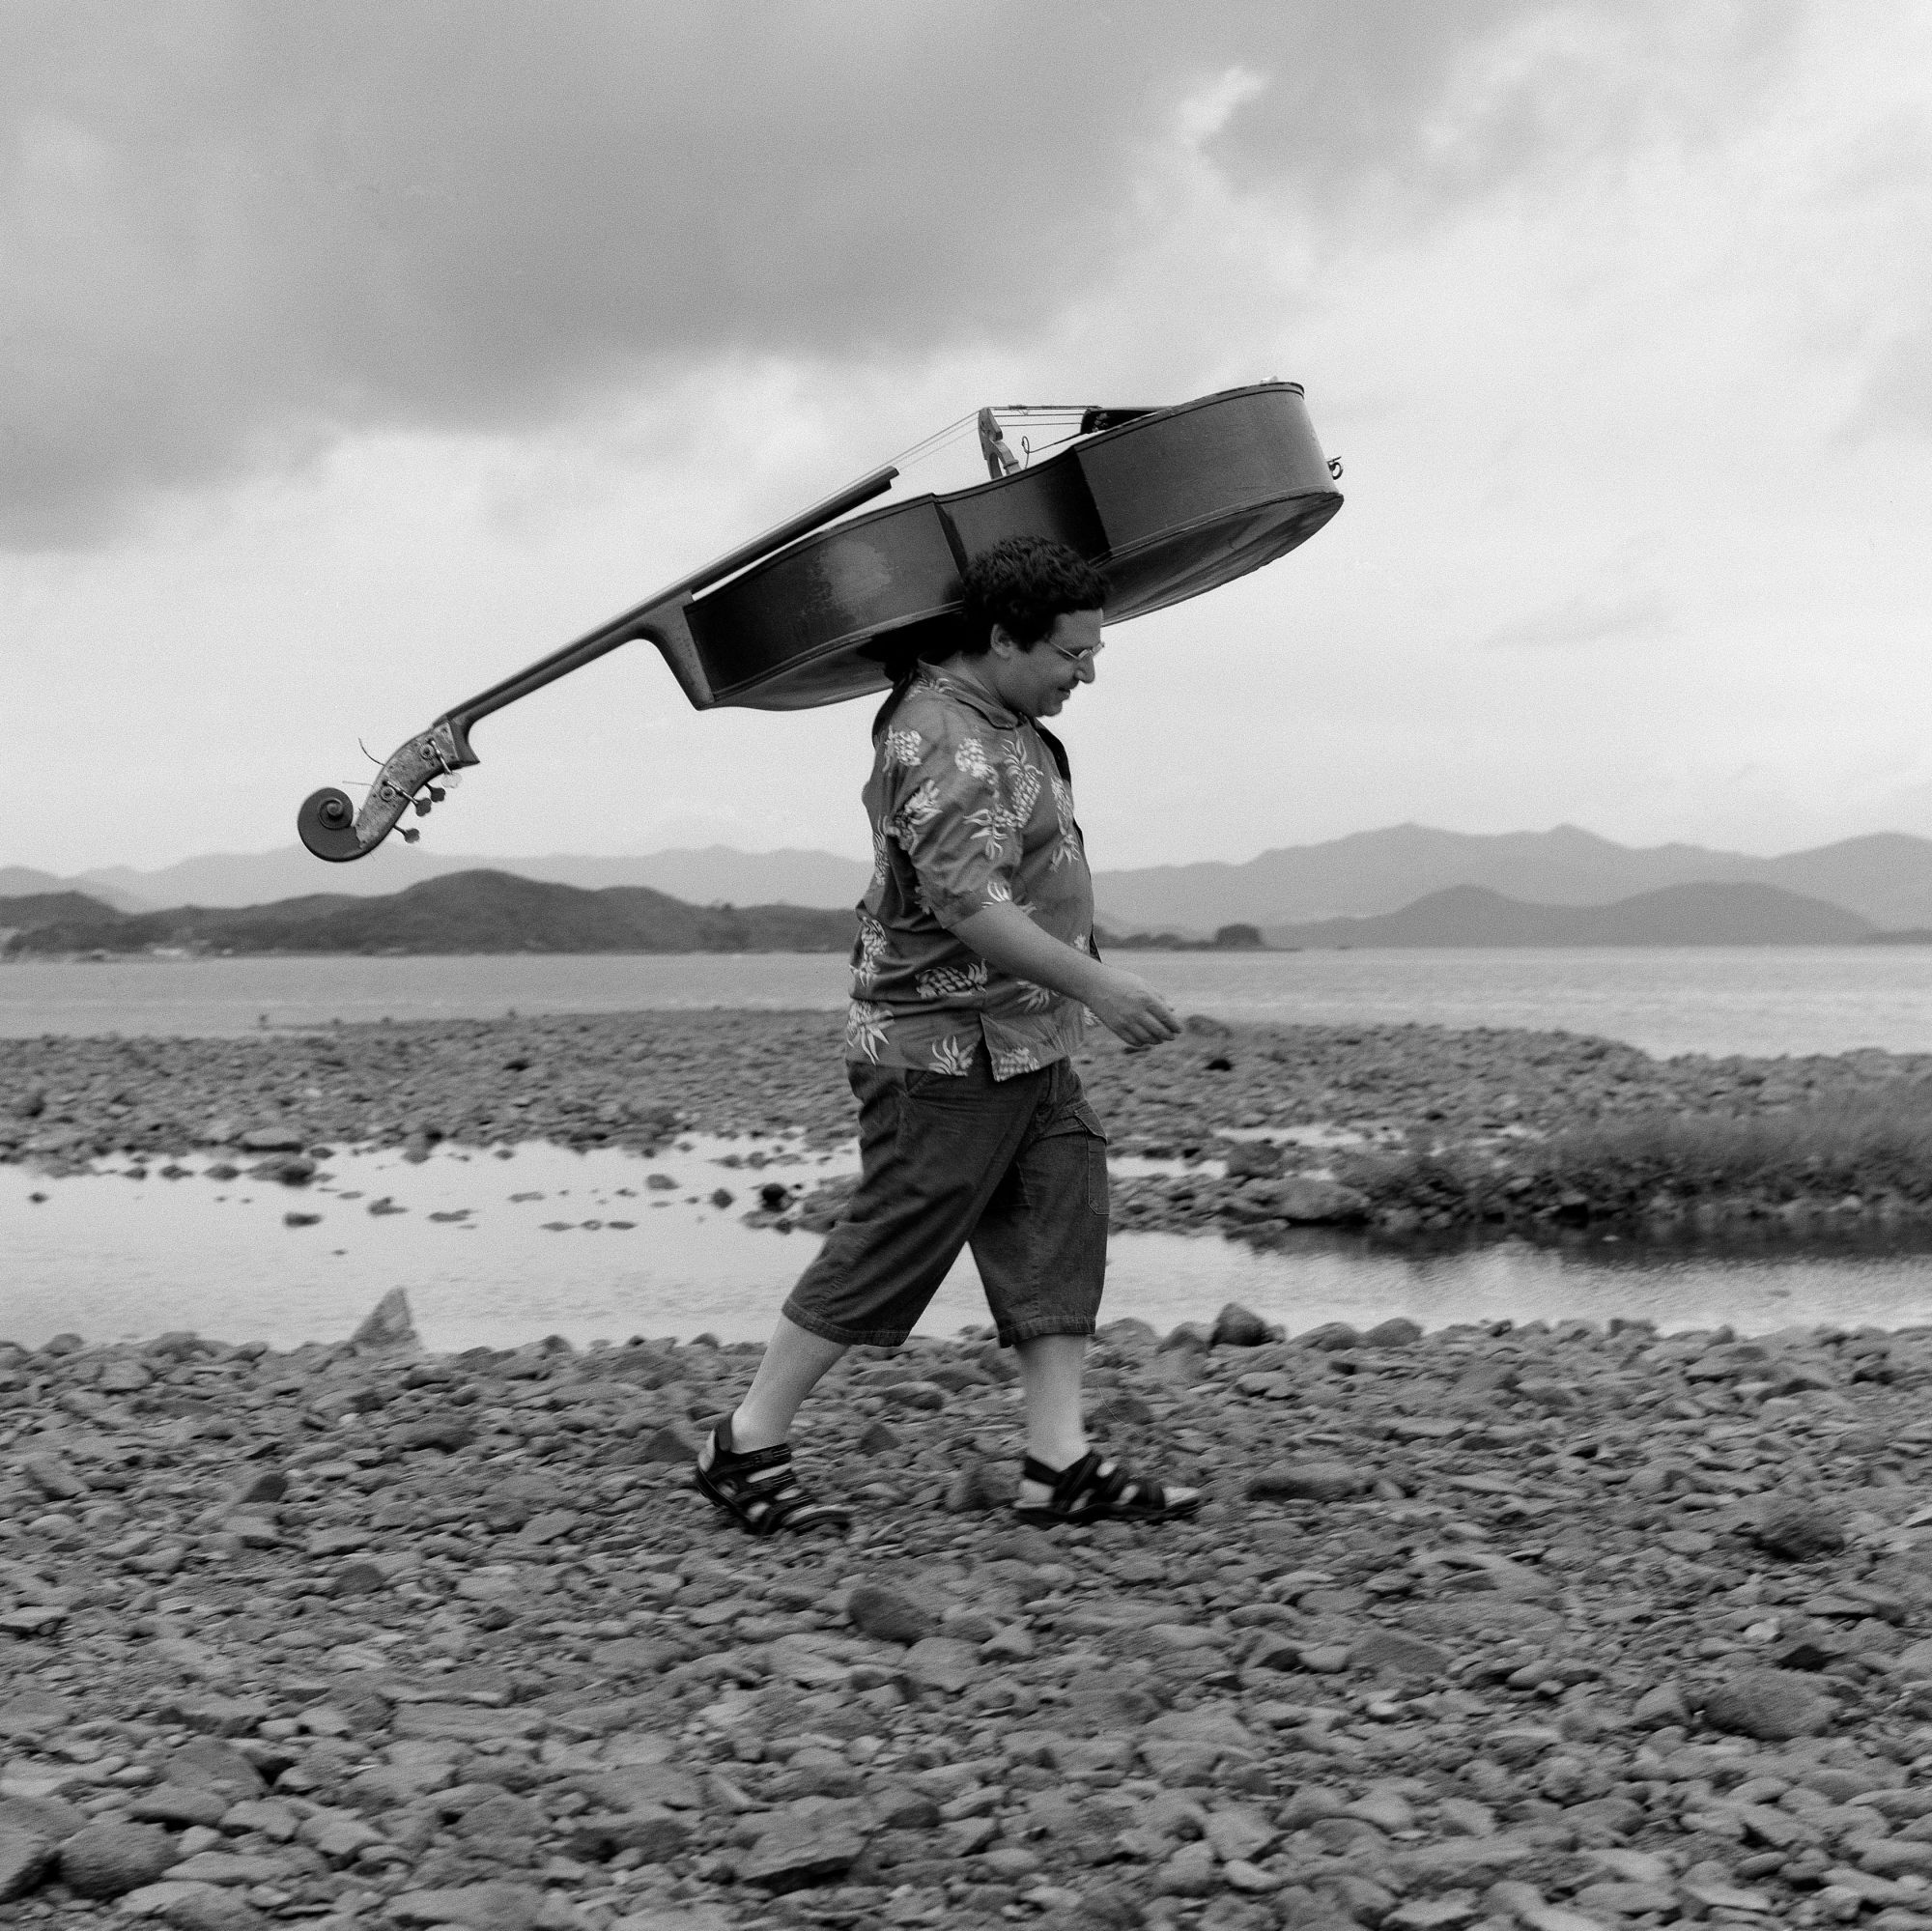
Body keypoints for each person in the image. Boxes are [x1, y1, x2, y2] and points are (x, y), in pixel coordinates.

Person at [694, 534, 1199, 1535]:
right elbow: (968, 905)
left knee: (1060, 1216)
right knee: (894, 1239)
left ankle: (1056, 1464)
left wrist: (1069, 1002)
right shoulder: (935, 732)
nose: (1084, 673)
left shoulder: (1000, 716)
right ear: (1004, 638)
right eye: (1071, 655)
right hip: (940, 1049)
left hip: (1025, 1040)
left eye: (1091, 654)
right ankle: (744, 1443)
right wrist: (1101, 986)